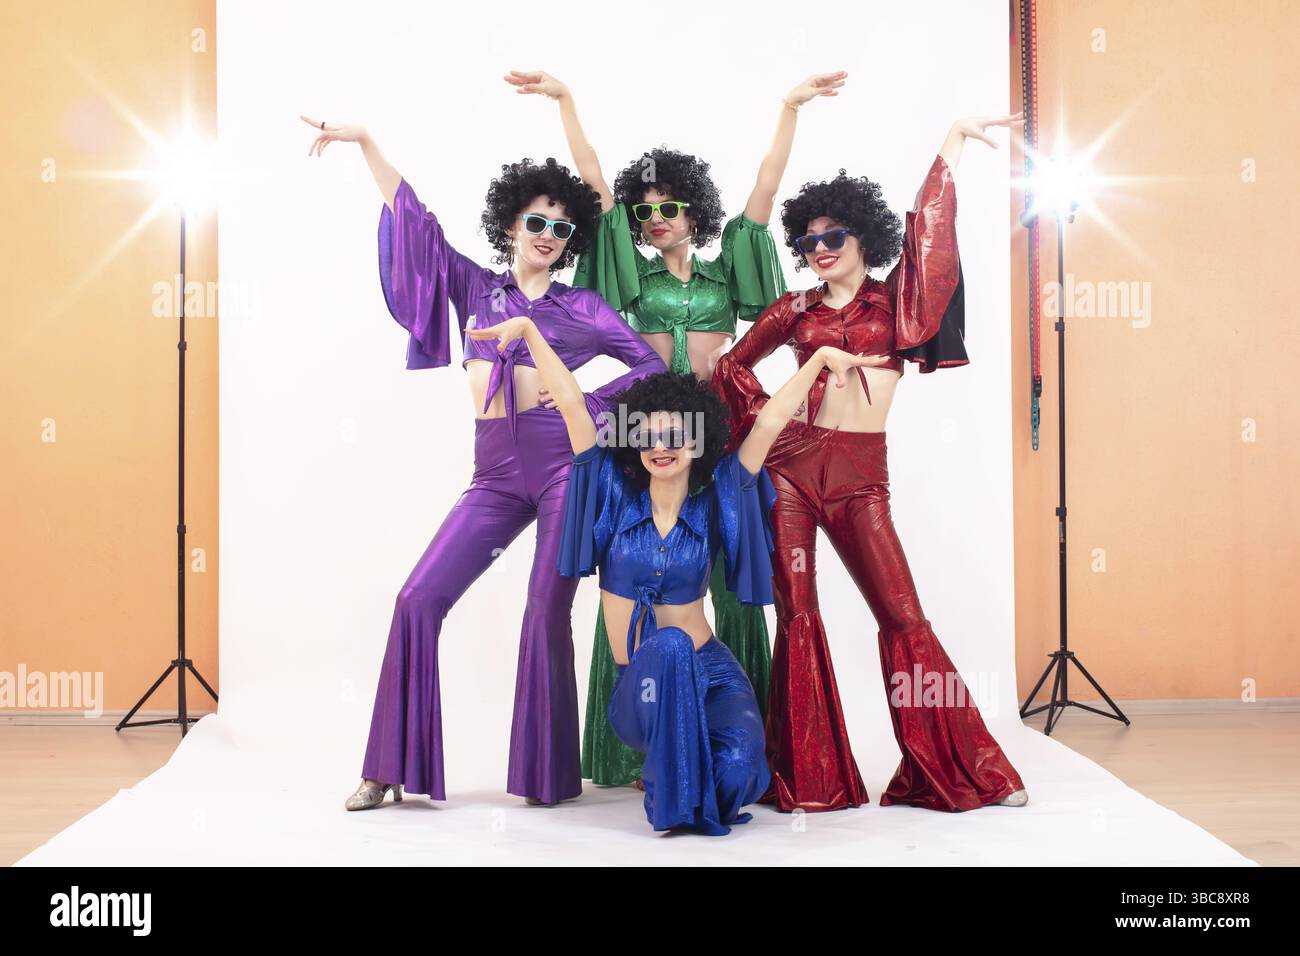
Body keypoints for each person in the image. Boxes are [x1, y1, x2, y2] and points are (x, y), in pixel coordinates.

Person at [300, 116, 666, 810]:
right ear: (511, 223)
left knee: (541, 609)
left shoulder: (582, 307)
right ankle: (389, 768)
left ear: (570, 244)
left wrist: (583, 406)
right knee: (417, 599)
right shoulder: (477, 290)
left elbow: (650, 365)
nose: (547, 236)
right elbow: (417, 225)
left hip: (565, 470)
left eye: (561, 229)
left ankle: (545, 777)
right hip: (495, 476)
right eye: (537, 221)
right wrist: (369, 143)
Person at [504, 68, 844, 786]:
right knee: (631, 571)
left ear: (697, 215)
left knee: (729, 571)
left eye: (670, 208)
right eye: (645, 212)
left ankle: (741, 731)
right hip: (645, 432)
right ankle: (635, 745)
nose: (656, 219)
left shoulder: (728, 274)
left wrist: (787, 108)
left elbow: (765, 191)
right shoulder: (632, 279)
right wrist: (568, 101)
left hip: (717, 432)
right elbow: (596, 187)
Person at [711, 113, 1031, 813]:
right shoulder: (793, 310)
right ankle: (811, 779)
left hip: (860, 478)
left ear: (862, 237)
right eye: (809, 240)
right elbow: (729, 368)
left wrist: (950, 143)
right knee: (798, 616)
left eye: (834, 236)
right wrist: (772, 426)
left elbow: (932, 243)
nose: (820, 248)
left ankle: (966, 770)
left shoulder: (895, 303)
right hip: (792, 473)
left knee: (903, 615)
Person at [468, 316, 882, 833]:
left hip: (711, 673)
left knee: (741, 772)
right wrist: (532, 333)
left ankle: (692, 780)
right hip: (642, 688)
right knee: (669, 646)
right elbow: (574, 405)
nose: (661, 446)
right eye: (649, 435)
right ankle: (676, 793)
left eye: (675, 435)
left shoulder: (718, 496)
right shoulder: (614, 493)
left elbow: (771, 421)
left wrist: (819, 360)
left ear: (698, 440)